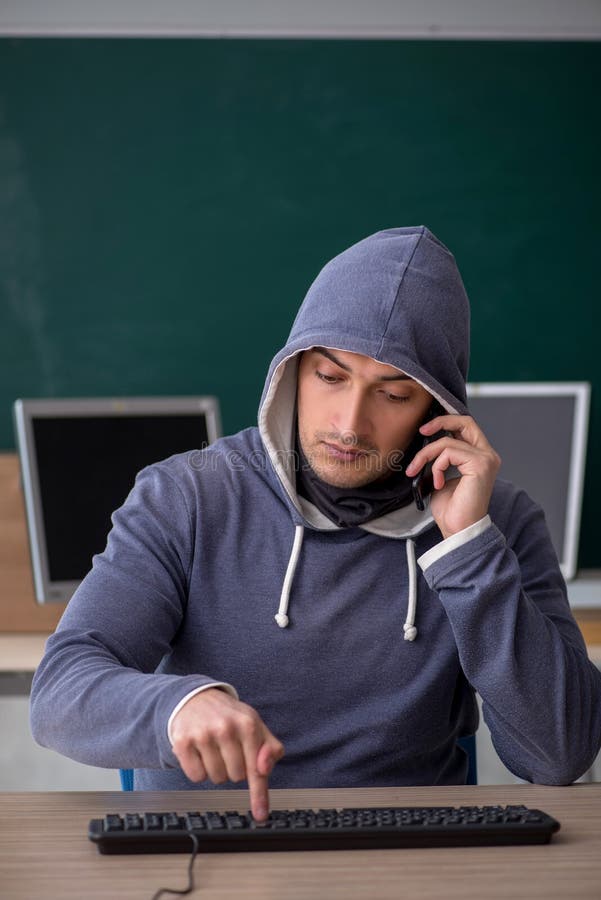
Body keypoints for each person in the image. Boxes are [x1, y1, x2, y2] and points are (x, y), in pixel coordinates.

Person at [30, 226, 601, 822]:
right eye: (330, 378)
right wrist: (176, 707)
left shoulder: (496, 522)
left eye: (395, 395)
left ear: (438, 410)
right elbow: (59, 691)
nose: (350, 424)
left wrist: (469, 549)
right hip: (209, 859)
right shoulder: (187, 496)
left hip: (410, 864)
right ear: (293, 371)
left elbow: (558, 756)